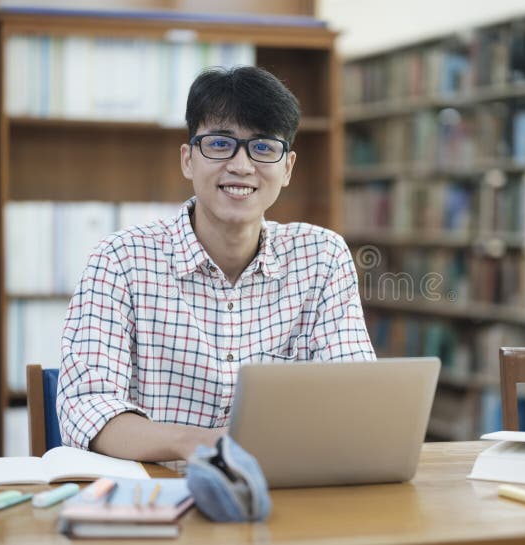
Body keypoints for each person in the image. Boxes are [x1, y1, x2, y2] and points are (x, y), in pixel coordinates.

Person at [57, 66, 376, 462]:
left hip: (285, 496)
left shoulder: (322, 258)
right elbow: (86, 409)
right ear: (188, 159)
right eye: (220, 144)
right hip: (156, 496)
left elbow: (354, 396)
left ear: (288, 168)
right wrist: (194, 443)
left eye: (263, 147)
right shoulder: (120, 261)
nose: (242, 166)